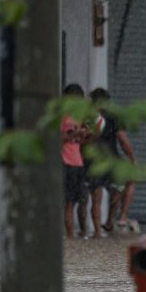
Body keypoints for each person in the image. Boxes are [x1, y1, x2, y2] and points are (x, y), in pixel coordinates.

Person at [88, 88, 140, 234]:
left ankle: (98, 232)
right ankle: (119, 218)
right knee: (124, 184)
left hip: (93, 162)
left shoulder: (88, 117)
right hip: (112, 161)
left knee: (96, 198)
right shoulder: (113, 117)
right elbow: (123, 140)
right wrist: (133, 159)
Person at [61, 83, 91, 239]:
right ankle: (70, 235)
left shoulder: (77, 118)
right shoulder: (62, 117)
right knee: (68, 203)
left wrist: (85, 135)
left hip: (77, 162)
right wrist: (76, 133)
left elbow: (78, 142)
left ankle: (79, 233)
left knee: (79, 200)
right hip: (66, 162)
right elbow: (60, 138)